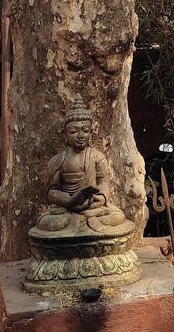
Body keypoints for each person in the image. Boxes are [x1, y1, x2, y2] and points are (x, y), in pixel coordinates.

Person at [31, 94, 133, 237]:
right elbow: (51, 192)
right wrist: (67, 200)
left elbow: (104, 182)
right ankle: (82, 227)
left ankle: (81, 227)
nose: (80, 135)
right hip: (68, 210)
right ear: (65, 134)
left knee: (118, 217)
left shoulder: (97, 156)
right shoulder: (59, 160)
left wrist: (101, 198)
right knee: (48, 222)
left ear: (91, 132)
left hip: (93, 208)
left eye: (85, 131)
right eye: (73, 131)